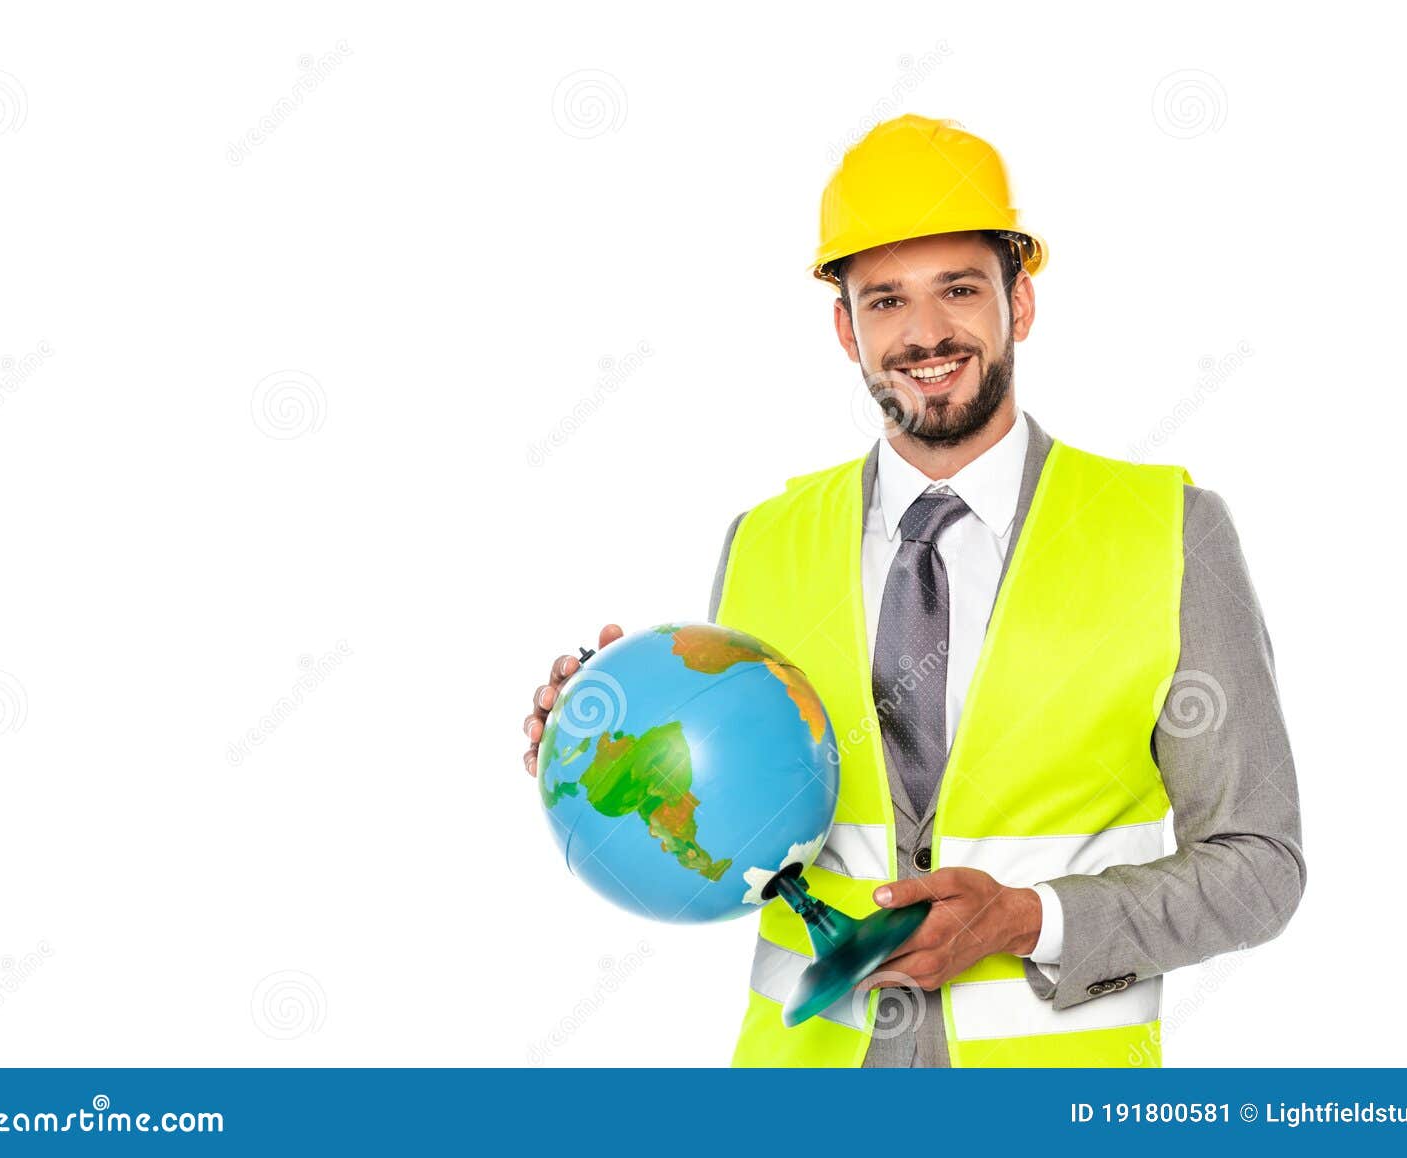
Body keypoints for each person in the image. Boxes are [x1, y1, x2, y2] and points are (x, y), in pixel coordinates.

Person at [523, 114, 1305, 1068]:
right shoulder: (761, 542)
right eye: (886, 300)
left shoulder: (1173, 534)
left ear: (1020, 302)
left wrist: (1029, 919)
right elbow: (742, 818)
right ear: (845, 326)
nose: (926, 334)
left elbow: (1259, 867)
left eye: (960, 289)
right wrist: (610, 742)